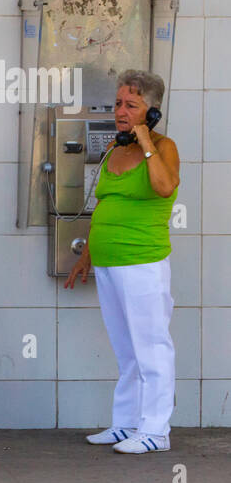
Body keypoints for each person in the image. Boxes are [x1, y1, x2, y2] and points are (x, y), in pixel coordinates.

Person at [64, 70, 180, 453]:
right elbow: (103, 206)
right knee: (127, 349)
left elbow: (165, 186)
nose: (120, 111)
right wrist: (87, 255)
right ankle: (127, 423)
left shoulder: (164, 147)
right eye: (118, 104)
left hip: (142, 261)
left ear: (152, 111)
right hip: (110, 262)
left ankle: (156, 430)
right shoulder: (114, 150)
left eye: (131, 105)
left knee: (152, 347)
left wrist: (146, 139)